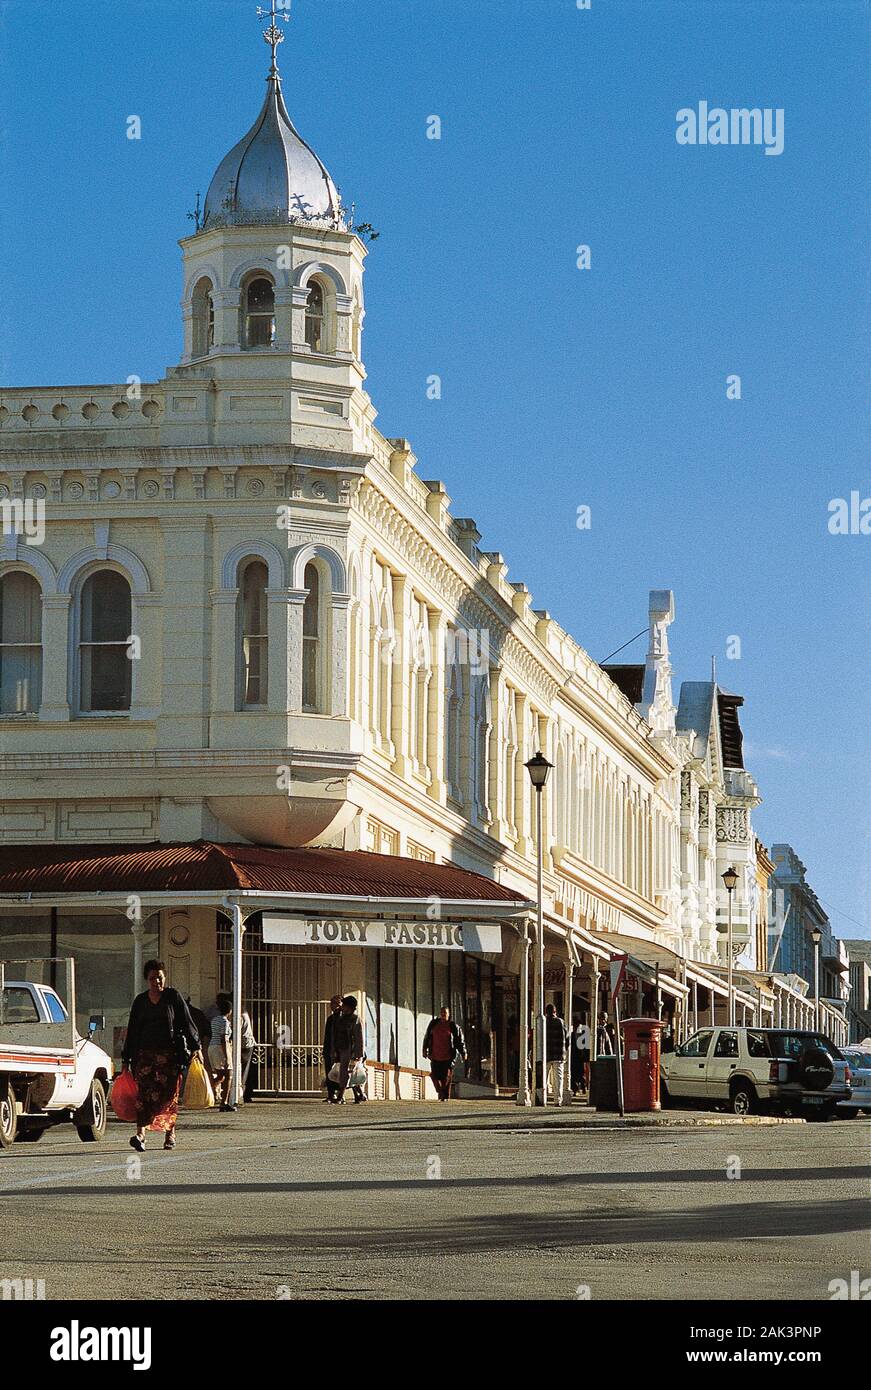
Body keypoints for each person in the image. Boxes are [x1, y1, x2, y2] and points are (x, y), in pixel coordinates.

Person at [122, 959, 201, 1151]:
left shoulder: (173, 997)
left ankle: (170, 1134)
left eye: (159, 977)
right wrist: (126, 1058)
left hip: (169, 1057)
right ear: (146, 980)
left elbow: (186, 1021)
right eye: (152, 978)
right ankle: (140, 1135)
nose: (156, 982)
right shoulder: (140, 1001)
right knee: (144, 1097)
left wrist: (196, 1047)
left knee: (168, 1096)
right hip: (145, 1058)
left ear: (164, 977)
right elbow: (132, 1030)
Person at [422, 1006, 467, 1101]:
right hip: (435, 1055)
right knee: (434, 1075)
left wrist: (463, 1053)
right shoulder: (434, 1024)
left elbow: (459, 1041)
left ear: (448, 1014)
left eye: (445, 1013)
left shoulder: (453, 1026)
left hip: (448, 1057)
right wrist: (424, 1049)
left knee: (446, 1078)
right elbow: (427, 1037)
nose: (443, 1014)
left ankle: (445, 1097)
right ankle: (440, 1092)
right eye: (441, 1012)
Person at [332, 996, 367, 1104]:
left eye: (345, 1006)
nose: (343, 1008)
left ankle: (340, 1097)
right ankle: (359, 1095)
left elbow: (359, 1038)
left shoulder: (356, 1019)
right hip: (342, 1049)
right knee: (350, 1074)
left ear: (351, 1007)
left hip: (351, 1050)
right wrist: (334, 1050)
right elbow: (336, 1035)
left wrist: (358, 1054)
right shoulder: (341, 1019)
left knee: (346, 1073)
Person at [209, 995, 235, 1112]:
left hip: (212, 1047)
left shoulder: (214, 1020)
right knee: (229, 1074)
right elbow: (223, 1039)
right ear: (229, 1010)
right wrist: (227, 1057)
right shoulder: (224, 1022)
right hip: (220, 1048)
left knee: (220, 1075)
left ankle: (208, 1090)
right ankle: (224, 1102)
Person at [543, 1003, 569, 1105]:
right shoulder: (561, 1022)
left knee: (544, 1077)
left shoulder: (544, 1022)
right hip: (559, 1054)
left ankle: (543, 1098)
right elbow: (567, 1038)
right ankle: (558, 1100)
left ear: (546, 1012)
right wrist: (564, 1050)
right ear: (555, 1011)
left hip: (546, 1054)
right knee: (558, 1078)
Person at [323, 994, 343, 1103]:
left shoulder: (343, 1018)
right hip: (329, 1050)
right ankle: (331, 1094)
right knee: (329, 1073)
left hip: (340, 1050)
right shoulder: (331, 1019)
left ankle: (341, 1094)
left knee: (340, 1074)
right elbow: (327, 1036)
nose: (333, 1006)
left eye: (336, 1003)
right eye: (332, 1003)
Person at [571, 1013, 590, 1095]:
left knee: (579, 1072)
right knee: (578, 1073)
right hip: (577, 1055)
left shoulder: (581, 1032)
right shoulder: (580, 1032)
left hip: (577, 1055)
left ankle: (581, 1087)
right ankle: (580, 1088)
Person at [240, 1007, 256, 1101]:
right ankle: (245, 1093)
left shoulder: (240, 1015)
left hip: (244, 1044)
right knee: (246, 1070)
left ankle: (242, 1093)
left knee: (243, 1071)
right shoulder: (244, 1012)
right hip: (247, 1043)